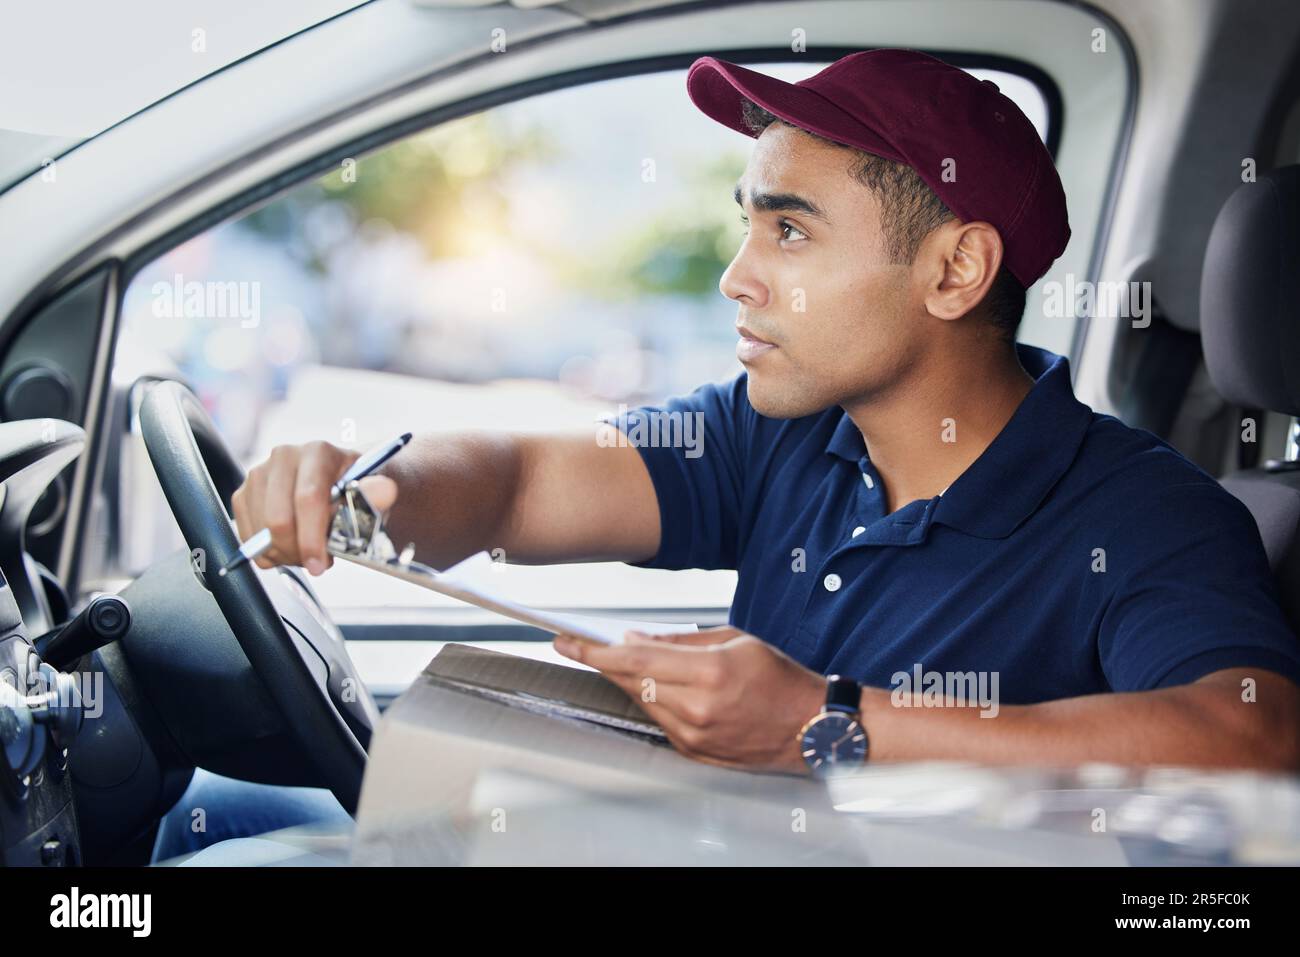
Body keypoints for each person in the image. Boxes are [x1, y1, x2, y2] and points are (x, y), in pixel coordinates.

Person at [195, 50, 1299, 847]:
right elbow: (518, 480)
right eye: (746, 222)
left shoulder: (1143, 515)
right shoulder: (782, 433)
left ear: (954, 273)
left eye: (789, 229)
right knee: (223, 802)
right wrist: (371, 491)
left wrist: (834, 726)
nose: (736, 276)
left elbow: (1252, 740)